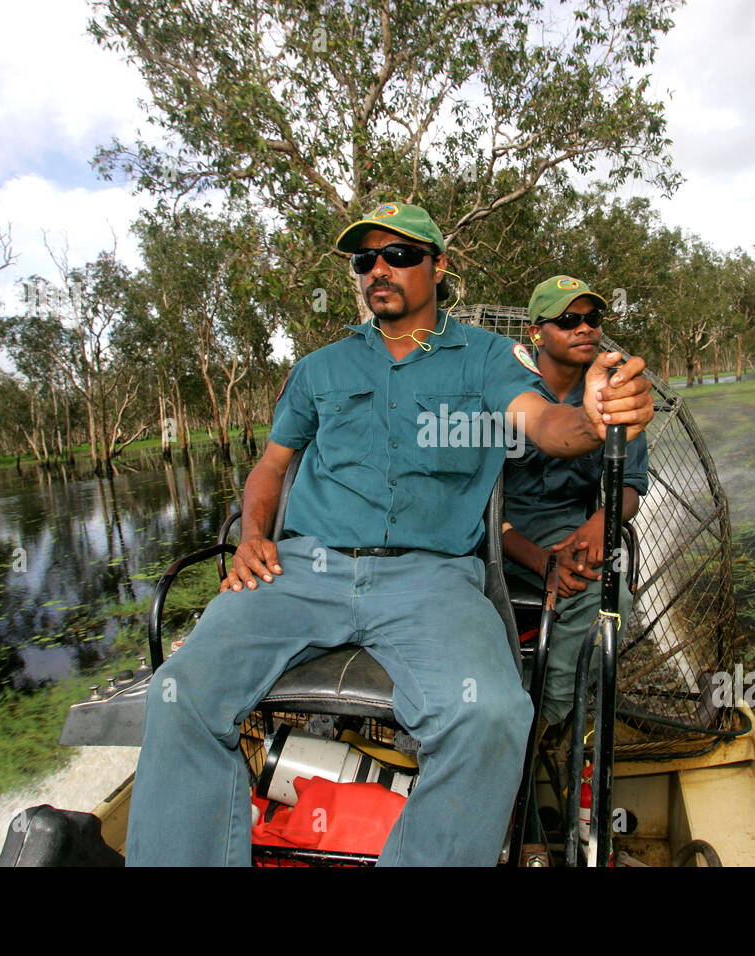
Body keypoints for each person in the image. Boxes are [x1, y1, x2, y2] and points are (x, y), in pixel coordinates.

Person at [125, 203, 654, 867]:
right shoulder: (321, 368)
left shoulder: (489, 357)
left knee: (491, 715)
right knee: (181, 694)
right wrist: (253, 534)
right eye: (364, 259)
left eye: (399, 255)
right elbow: (272, 466)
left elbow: (547, 425)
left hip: (432, 578)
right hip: (301, 568)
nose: (379, 269)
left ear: (438, 267)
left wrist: (597, 418)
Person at [502, 277, 648, 728]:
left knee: (609, 599)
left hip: (572, 530)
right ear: (536, 333)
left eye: (592, 320)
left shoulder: (614, 393)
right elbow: (470, 500)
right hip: (497, 534)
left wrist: (598, 526)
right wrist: (542, 561)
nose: (584, 329)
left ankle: (544, 718)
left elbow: (630, 486)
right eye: (568, 320)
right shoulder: (504, 389)